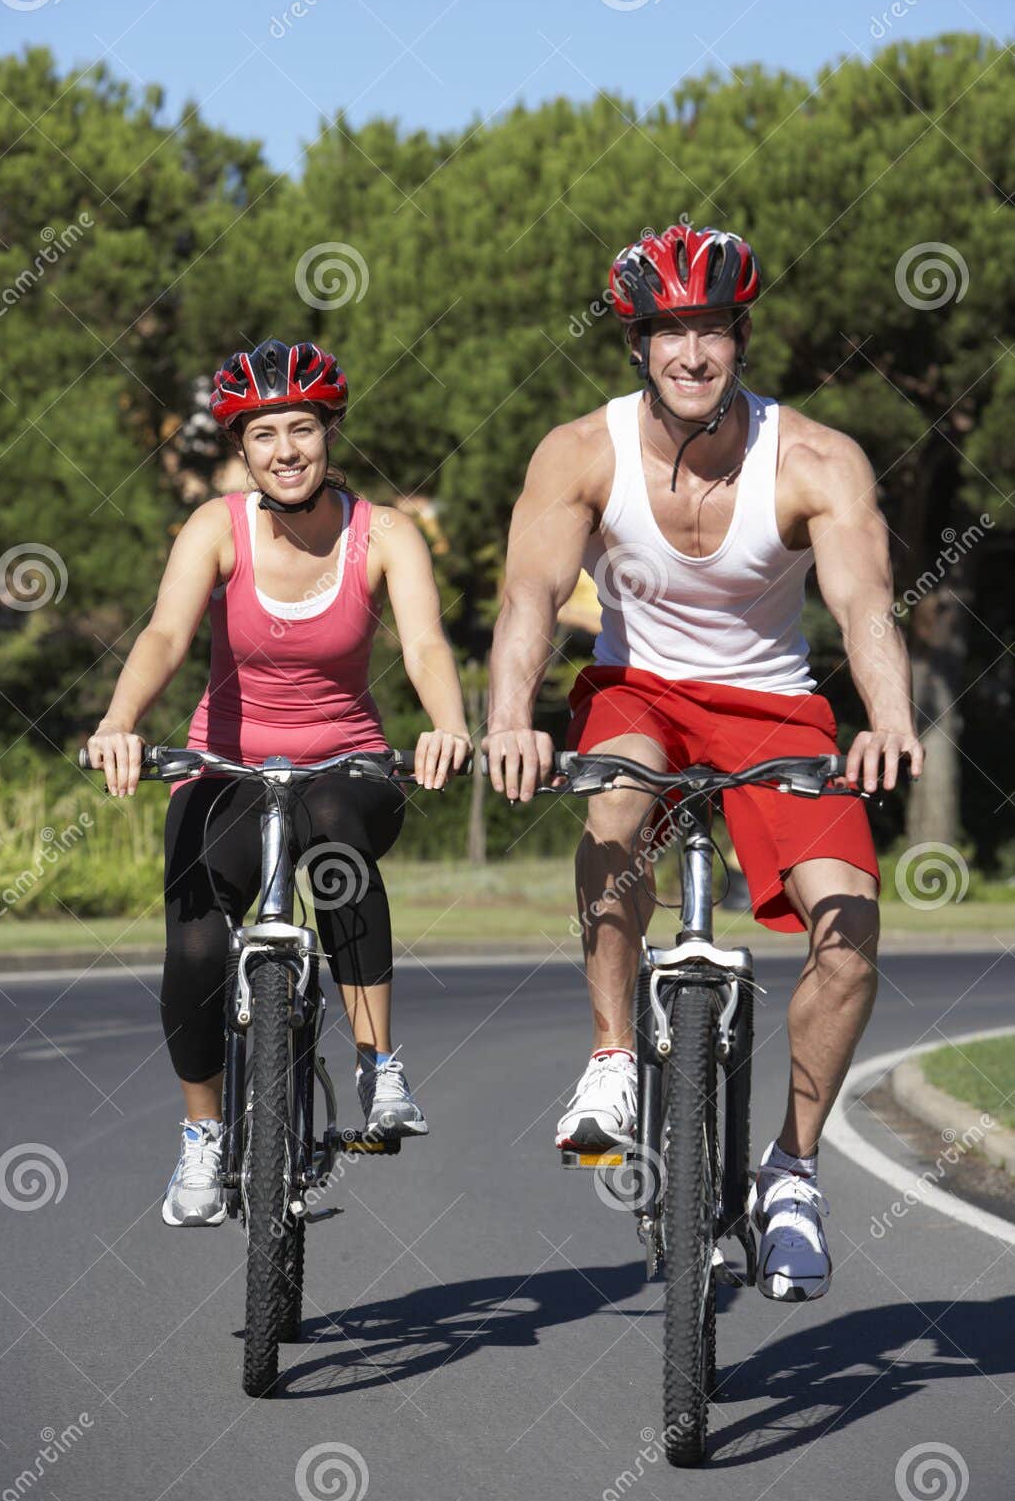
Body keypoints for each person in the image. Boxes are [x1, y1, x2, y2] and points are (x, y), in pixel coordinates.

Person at [486, 225, 924, 1302]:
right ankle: (609, 1061)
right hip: (636, 693)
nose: (692, 352)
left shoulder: (814, 459)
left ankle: (791, 1173)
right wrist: (507, 720)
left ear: (740, 338)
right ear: (636, 344)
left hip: (774, 710)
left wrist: (887, 718)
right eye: (669, 331)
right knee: (614, 805)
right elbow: (529, 595)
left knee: (849, 933)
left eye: (713, 329)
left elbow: (863, 604)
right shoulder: (578, 452)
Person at [86, 337, 470, 1226]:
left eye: (302, 428)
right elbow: (164, 634)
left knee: (331, 822)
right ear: (241, 447)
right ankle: (201, 1136)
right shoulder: (215, 528)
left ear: (331, 432)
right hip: (225, 768)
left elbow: (423, 643)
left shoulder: (385, 534)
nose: (286, 450)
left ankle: (378, 1065)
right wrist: (119, 721)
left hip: (346, 764)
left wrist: (448, 723)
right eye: (263, 435)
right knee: (194, 947)